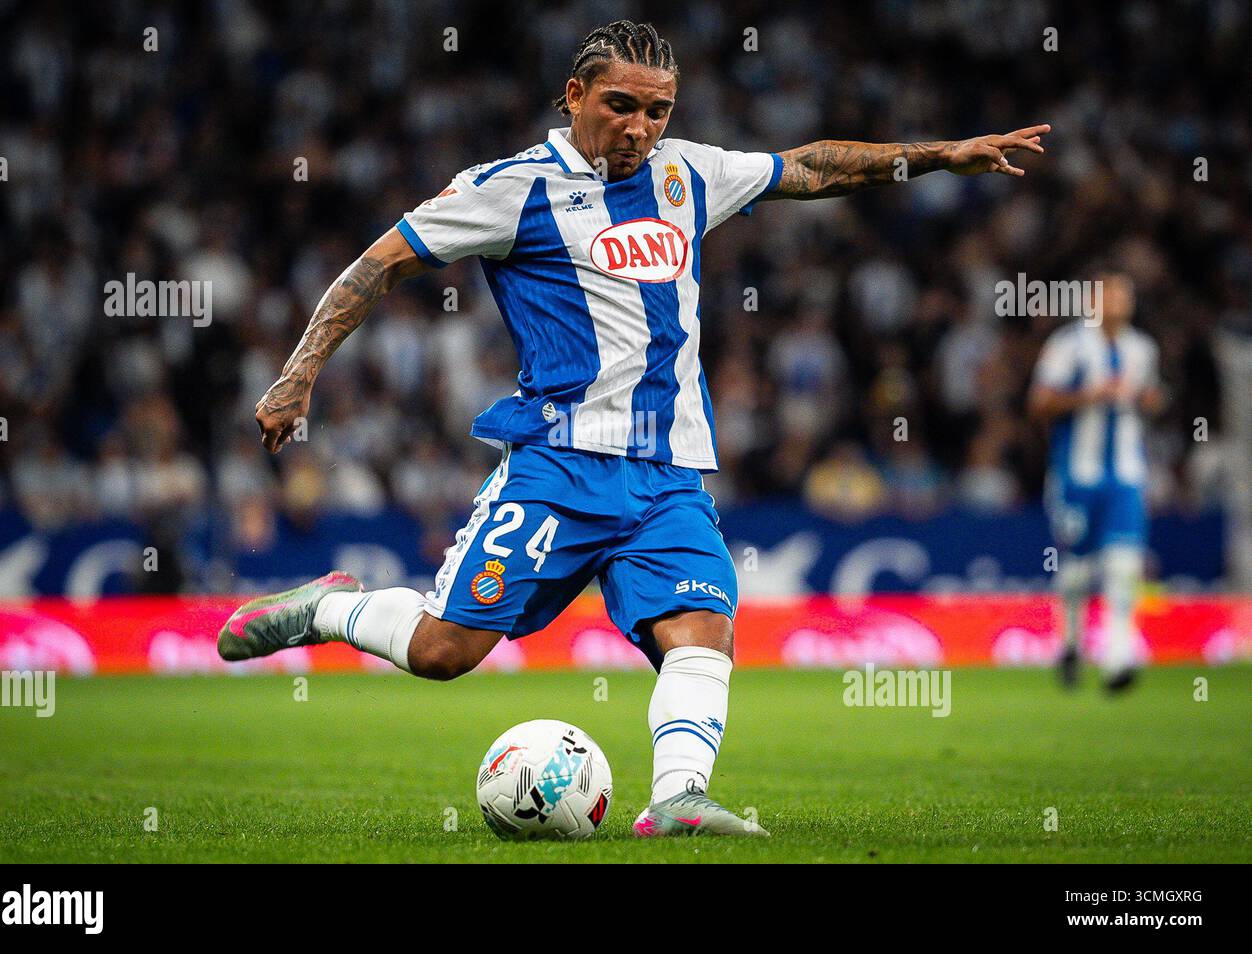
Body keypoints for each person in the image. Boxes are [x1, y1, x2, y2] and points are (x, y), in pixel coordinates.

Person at [219, 19, 1049, 835]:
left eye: (659, 111)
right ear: (574, 95)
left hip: (668, 473)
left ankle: (678, 799)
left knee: (703, 631)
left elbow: (809, 167)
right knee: (444, 652)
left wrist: (938, 154)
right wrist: (298, 375)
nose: (641, 127)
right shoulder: (511, 187)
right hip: (560, 466)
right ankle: (328, 608)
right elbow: (381, 262)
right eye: (622, 105)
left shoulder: (689, 171)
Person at [1029, 272, 1163, 692]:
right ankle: (1070, 645)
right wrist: (1091, 395)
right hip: (1077, 474)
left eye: (1125, 294)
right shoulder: (1068, 345)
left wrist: (1150, 402)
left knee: (1123, 565)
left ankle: (1118, 659)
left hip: (1125, 473)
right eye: (1110, 294)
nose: (1119, 302)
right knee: (1076, 571)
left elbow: (1150, 400)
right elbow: (1040, 402)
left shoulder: (1143, 349)